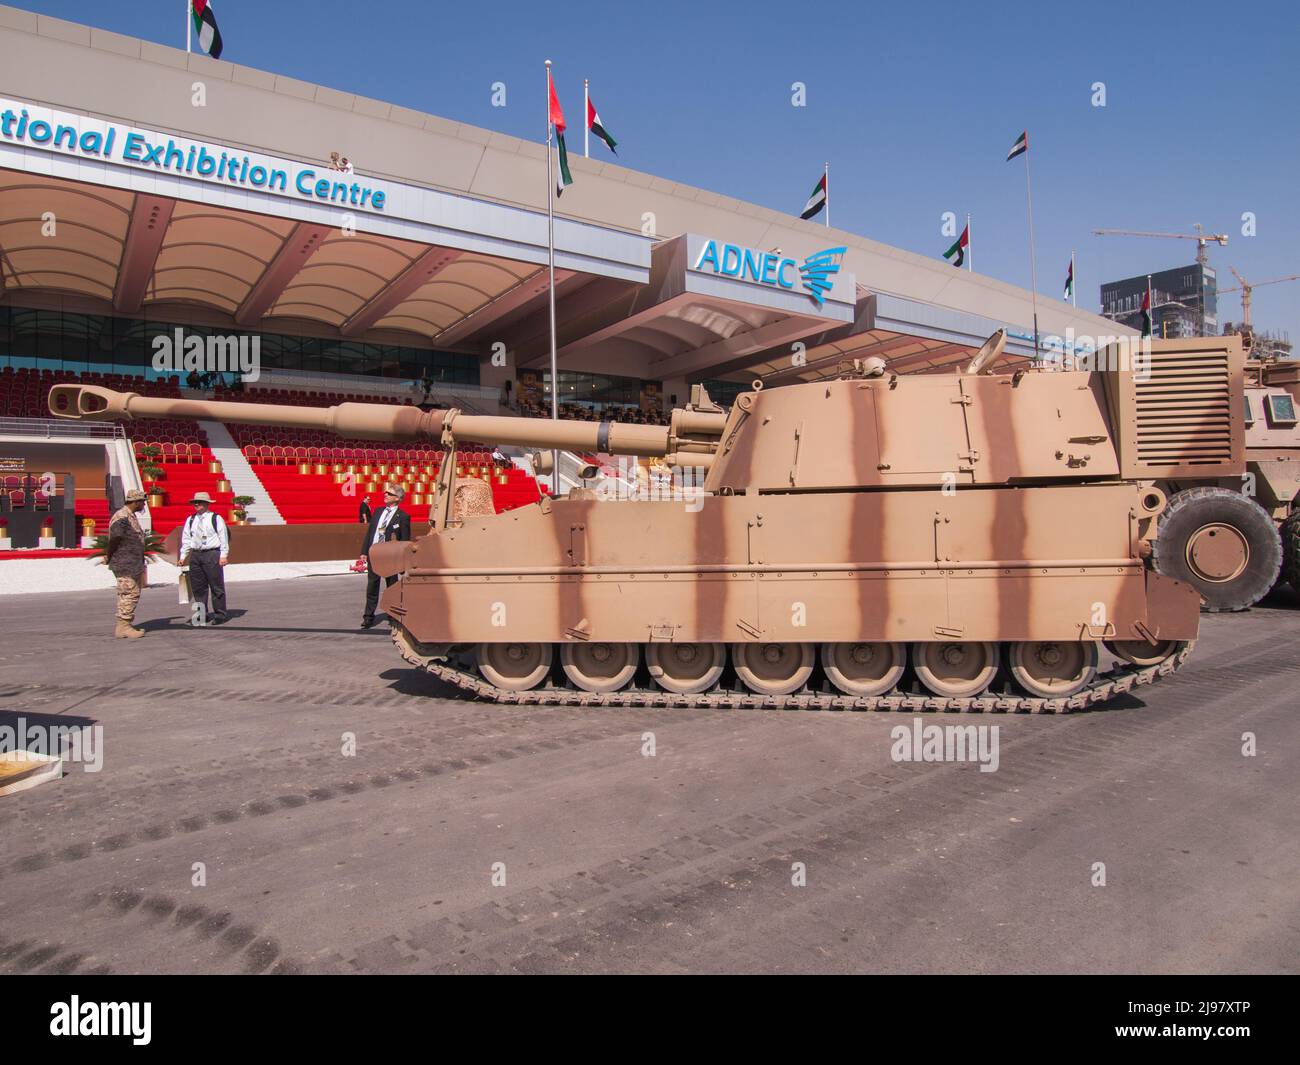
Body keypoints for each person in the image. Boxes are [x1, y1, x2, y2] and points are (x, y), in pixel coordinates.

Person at [361, 484, 410, 629]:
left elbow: (405, 541)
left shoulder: (403, 517)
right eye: (385, 492)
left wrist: (402, 562)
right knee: (372, 587)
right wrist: (364, 551)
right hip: (374, 555)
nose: (385, 494)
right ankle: (368, 617)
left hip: (391, 558)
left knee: (392, 588)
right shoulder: (377, 512)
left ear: (397, 498)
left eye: (389, 493)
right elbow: (370, 533)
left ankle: (393, 615)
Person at [105, 488, 149, 638]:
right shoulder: (122, 517)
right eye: (142, 502)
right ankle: (124, 626)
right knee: (129, 593)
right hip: (125, 562)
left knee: (130, 592)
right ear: (135, 502)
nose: (144, 504)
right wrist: (109, 555)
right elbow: (115, 539)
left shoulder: (129, 516)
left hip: (131, 562)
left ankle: (124, 626)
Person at [180, 491, 230, 625]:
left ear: (207, 504)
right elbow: (186, 538)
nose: (196, 505)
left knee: (216, 585)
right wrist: (183, 555)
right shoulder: (191, 519)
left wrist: (223, 555)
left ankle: (220, 614)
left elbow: (223, 537)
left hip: (212, 553)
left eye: (200, 502)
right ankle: (202, 615)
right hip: (196, 554)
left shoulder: (215, 518)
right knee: (198, 587)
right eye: (195, 502)